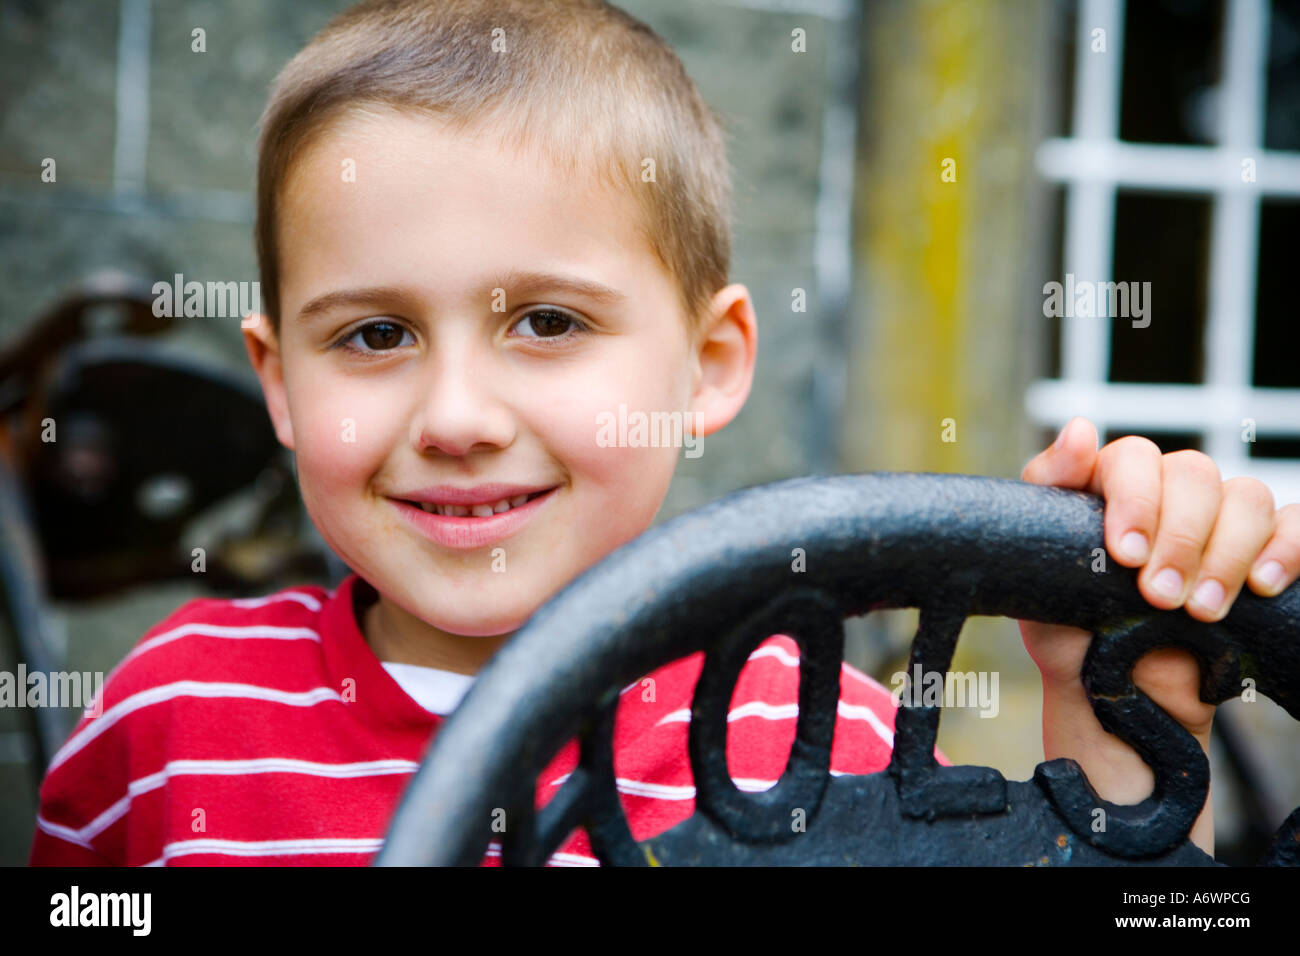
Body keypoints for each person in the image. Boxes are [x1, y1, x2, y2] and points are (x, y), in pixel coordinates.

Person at [30, 0, 1298, 866]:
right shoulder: (168, 720)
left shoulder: (827, 750)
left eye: (544, 320)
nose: (458, 419)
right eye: (372, 336)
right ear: (281, 382)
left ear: (708, 362)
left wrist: (1110, 706)